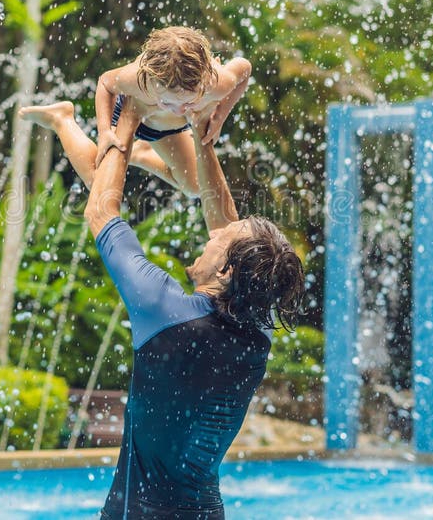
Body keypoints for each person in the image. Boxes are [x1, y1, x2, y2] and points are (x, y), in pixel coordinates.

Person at [80, 97, 307, 519]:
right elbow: (228, 231)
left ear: (225, 270)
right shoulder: (255, 337)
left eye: (217, 241)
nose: (209, 236)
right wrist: (202, 137)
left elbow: (100, 210)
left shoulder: (163, 308)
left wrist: (124, 123)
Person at [20, 26, 252, 197]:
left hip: (165, 130)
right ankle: (62, 119)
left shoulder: (216, 82)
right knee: (99, 185)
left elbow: (244, 68)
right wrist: (104, 133)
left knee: (195, 188)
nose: (181, 109)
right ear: (152, 81)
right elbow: (105, 83)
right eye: (167, 102)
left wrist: (219, 116)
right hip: (132, 115)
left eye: (190, 103)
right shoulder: (138, 79)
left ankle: (139, 153)